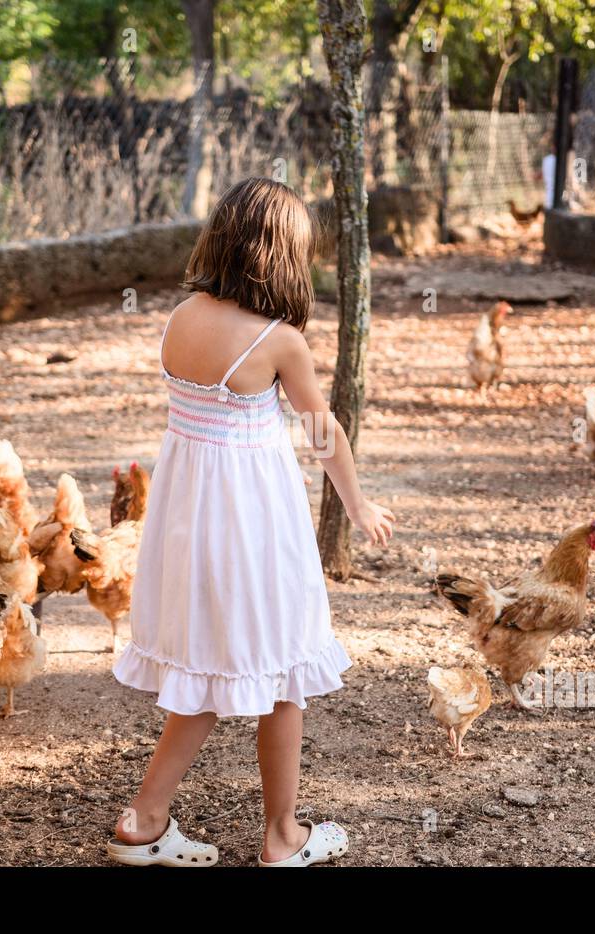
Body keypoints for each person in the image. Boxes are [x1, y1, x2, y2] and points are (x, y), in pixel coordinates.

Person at [106, 177, 395, 867]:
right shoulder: (278, 340)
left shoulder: (179, 319)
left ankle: (144, 820)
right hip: (255, 527)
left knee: (208, 667)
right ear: (282, 257)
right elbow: (323, 431)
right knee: (283, 670)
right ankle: (282, 836)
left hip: (186, 524)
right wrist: (356, 505)